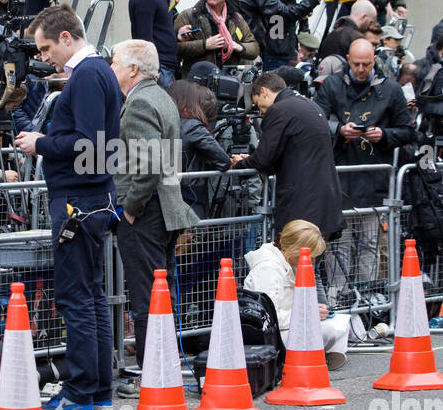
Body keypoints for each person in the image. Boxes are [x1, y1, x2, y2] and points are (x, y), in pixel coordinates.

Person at [15, 5, 122, 410]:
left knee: (78, 298)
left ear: (65, 37)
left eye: (45, 48)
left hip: (79, 199)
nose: (44, 58)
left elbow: (89, 143)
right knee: (90, 296)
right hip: (90, 198)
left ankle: (81, 393)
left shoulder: (89, 75)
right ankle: (95, 392)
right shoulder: (96, 73)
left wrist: (41, 143)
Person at [110, 40, 196, 365]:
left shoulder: (140, 103)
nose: (111, 67)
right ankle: (163, 368)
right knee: (161, 295)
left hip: (147, 212)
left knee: (147, 299)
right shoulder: (161, 97)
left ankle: (153, 374)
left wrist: (130, 209)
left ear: (133, 69)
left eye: (115, 61)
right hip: (164, 209)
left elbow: (150, 164)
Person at [314, 38, 416, 287]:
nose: (361, 69)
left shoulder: (390, 89)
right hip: (341, 176)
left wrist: (384, 135)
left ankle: (367, 294)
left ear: (374, 62)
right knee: (340, 242)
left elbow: (408, 131)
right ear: (348, 59)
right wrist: (339, 129)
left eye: (366, 65)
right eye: (357, 64)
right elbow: (316, 121)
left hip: (374, 176)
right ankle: (339, 295)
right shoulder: (331, 85)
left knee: (370, 242)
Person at [232, 73, 341, 239]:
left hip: (301, 204)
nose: (260, 113)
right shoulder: (307, 104)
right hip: (324, 200)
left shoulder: (279, 110)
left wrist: (240, 163)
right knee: (310, 259)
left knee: (294, 259)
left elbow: (263, 159)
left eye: (257, 104)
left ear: (264, 92)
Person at [245, 219, 349, 371]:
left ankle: (320, 356)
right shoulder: (268, 270)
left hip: (285, 329)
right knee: (330, 329)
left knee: (339, 323)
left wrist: (311, 309)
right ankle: (319, 356)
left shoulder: (286, 263)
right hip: (272, 336)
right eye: (310, 255)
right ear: (296, 249)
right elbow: (270, 319)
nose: (311, 261)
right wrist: (309, 313)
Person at [173, 0, 260, 79]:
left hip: (227, 83)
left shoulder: (236, 18)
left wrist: (233, 45)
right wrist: (205, 45)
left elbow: (254, 48)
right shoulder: (189, 16)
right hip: (197, 85)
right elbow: (174, 49)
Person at [169, 79, 231, 219]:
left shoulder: (170, 123)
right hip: (190, 196)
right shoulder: (191, 126)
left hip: (173, 194)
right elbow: (223, 161)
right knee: (193, 238)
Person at [128, 0, 182, 87]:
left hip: (164, 68)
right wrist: (153, 71)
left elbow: (158, 29)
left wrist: (176, 35)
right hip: (158, 70)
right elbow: (143, 37)